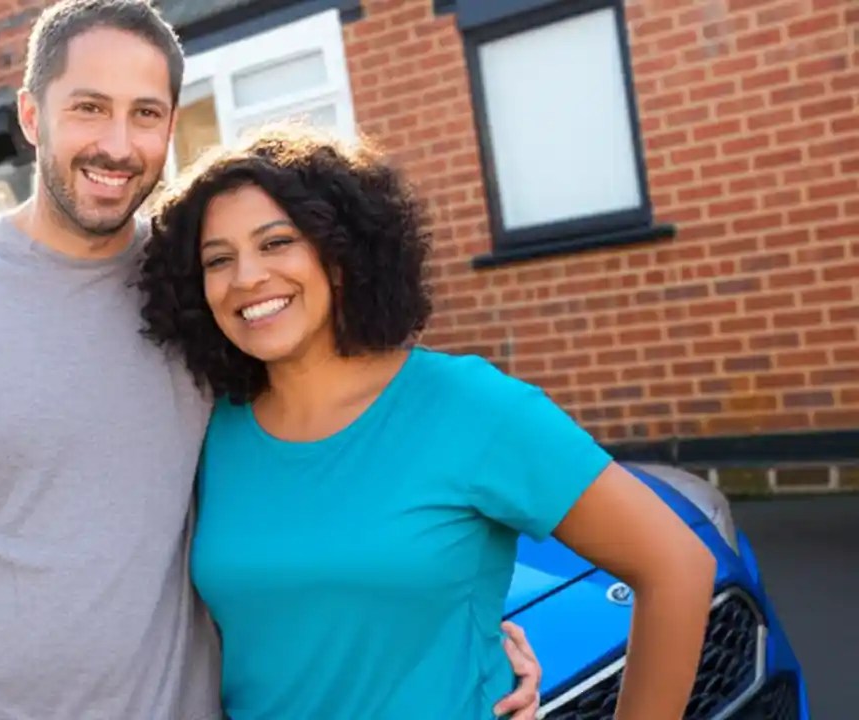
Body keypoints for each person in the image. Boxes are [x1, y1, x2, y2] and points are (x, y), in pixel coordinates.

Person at [0, 1, 542, 718]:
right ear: (30, 114)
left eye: (145, 114)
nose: (117, 144)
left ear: (170, 127)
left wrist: (457, 639)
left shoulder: (206, 286)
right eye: (88, 107)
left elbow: (342, 459)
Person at [137, 124, 718, 720]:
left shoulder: (467, 406)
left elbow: (677, 565)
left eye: (277, 242)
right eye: (218, 259)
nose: (247, 277)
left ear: (339, 256)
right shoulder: (213, 430)